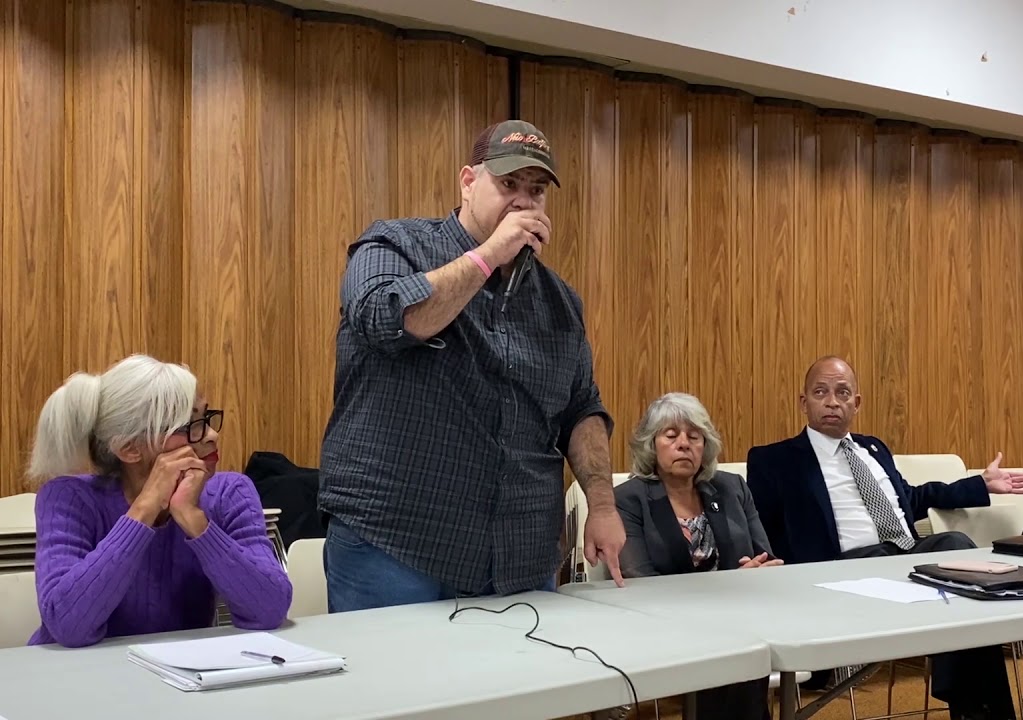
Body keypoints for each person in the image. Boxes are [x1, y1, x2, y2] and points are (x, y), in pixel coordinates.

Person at [319, 119, 625, 611]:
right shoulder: (393, 246)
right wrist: (488, 256)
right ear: (468, 181)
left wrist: (603, 505)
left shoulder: (560, 302)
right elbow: (388, 317)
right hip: (396, 545)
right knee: (393, 688)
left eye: (536, 191)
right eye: (508, 185)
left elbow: (581, 407)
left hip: (518, 559)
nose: (523, 202)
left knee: (524, 688)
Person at [747, 355, 1023, 720]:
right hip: (843, 570)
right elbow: (760, 525)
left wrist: (981, 484)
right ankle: (975, 708)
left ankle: (979, 709)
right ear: (804, 402)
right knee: (953, 593)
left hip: (906, 557)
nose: (832, 401)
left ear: (857, 403)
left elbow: (909, 498)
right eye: (820, 392)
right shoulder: (775, 460)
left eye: (842, 392)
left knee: (957, 547)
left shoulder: (874, 448)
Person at [25, 354, 291, 648]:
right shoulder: (68, 498)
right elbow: (69, 626)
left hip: (180, 679)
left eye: (207, 417)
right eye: (190, 425)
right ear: (129, 449)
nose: (212, 435)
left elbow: (270, 610)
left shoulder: (230, 492)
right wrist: (143, 511)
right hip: (75, 679)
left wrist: (195, 521)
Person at [615, 393, 780, 720]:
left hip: (739, 617)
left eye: (694, 436)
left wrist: (758, 571)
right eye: (671, 435)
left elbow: (765, 558)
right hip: (666, 620)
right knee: (736, 651)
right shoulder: (628, 499)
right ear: (652, 445)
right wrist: (731, 583)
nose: (684, 444)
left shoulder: (732, 488)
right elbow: (638, 579)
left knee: (742, 644)